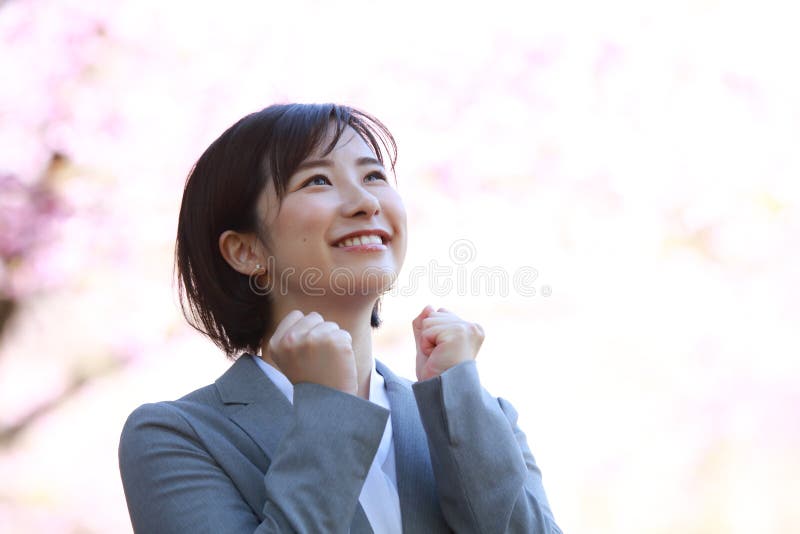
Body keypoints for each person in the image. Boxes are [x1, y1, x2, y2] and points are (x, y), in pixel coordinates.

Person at [118, 103, 562, 533]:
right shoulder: (178, 437)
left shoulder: (480, 415)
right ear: (245, 250)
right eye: (317, 180)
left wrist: (458, 400)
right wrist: (328, 406)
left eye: (374, 176)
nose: (366, 201)